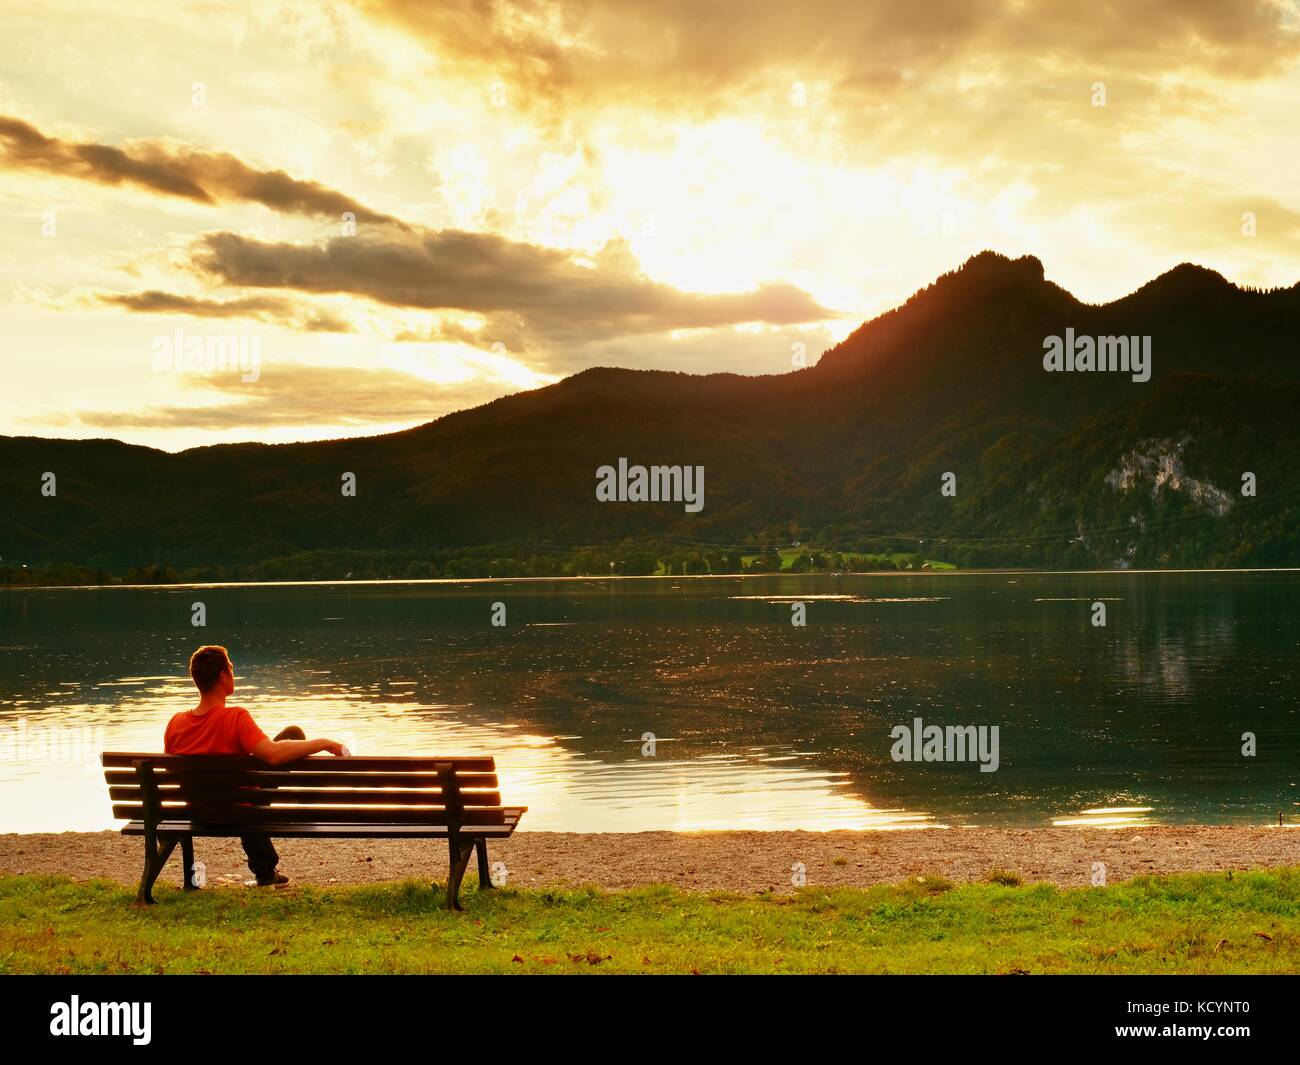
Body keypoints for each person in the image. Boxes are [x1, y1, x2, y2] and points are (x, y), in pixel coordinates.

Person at [164, 644, 347, 887]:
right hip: (239, 812)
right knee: (291, 738)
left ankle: (265, 870)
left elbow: (171, 772)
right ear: (222, 677)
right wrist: (323, 743)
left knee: (288, 737)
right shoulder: (235, 717)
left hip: (198, 811)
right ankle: (265, 870)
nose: (233, 674)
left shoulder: (175, 723)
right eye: (231, 669)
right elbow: (273, 754)